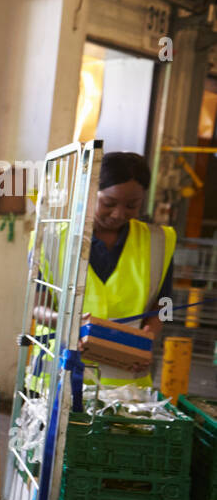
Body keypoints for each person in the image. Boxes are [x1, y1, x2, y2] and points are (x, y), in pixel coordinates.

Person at [82, 152, 176, 386]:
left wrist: (149, 336)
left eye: (131, 205)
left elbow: (166, 304)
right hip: (64, 374)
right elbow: (37, 306)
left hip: (127, 382)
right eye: (109, 203)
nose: (118, 214)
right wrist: (69, 326)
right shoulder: (58, 237)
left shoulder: (159, 241)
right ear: (90, 191)